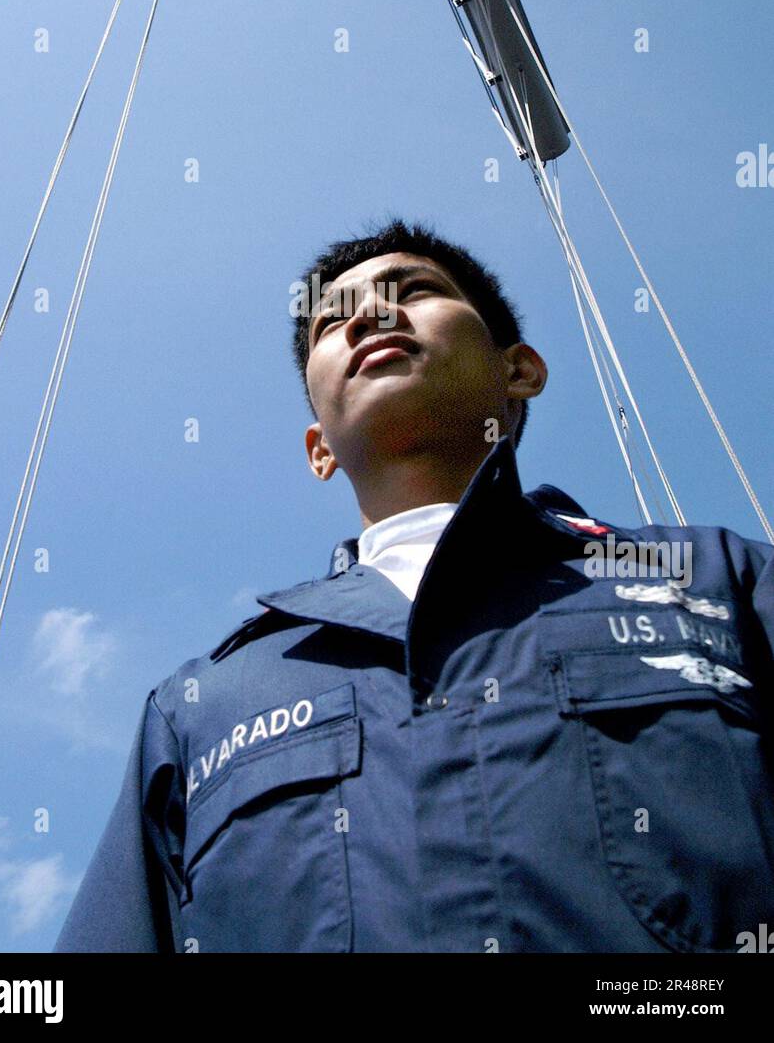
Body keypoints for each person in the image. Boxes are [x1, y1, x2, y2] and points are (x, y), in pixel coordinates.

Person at [53, 217, 774, 953]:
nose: (369, 315)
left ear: (519, 369)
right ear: (319, 450)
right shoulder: (200, 706)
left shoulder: (721, 580)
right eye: (333, 322)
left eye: (417, 290)